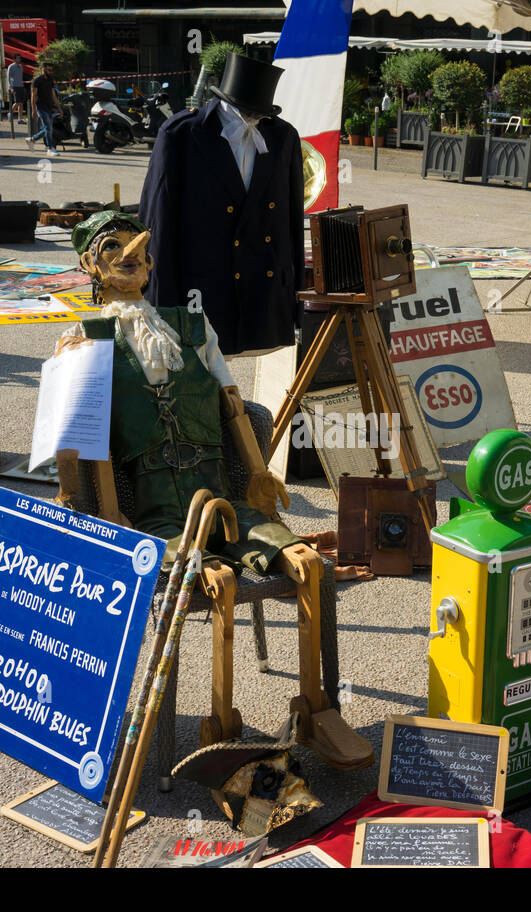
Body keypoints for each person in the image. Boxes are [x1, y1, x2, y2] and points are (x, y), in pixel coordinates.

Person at [51, 210, 374, 771]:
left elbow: (233, 408)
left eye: (139, 250)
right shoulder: (85, 341)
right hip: (158, 515)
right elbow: (84, 441)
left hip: (223, 500)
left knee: (309, 564)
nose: (131, 258)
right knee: (219, 579)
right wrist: (107, 516)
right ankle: (221, 724)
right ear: (89, 266)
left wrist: (257, 473)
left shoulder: (193, 328)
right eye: (112, 250)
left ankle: (315, 708)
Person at [138, 52, 303, 355]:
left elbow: (292, 220)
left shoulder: (283, 136)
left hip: (262, 284)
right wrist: (159, 304)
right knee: (198, 371)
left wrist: (294, 299)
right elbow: (157, 220)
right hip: (200, 284)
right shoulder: (181, 134)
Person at [28, 61, 60, 157]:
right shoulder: (37, 81)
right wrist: (33, 110)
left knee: (48, 128)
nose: (50, 72)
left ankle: (32, 139)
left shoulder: (50, 80)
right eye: (49, 70)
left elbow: (54, 95)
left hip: (49, 107)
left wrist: (59, 108)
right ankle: (50, 148)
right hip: (41, 107)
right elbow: (33, 96)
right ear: (43, 69)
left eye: (51, 70)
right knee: (48, 128)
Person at [6, 55, 25, 123]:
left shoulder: (21, 66)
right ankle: (10, 113)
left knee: (21, 103)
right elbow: (9, 78)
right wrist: (11, 87)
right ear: (14, 59)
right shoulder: (11, 66)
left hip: (21, 86)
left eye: (20, 58)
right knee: (17, 102)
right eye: (18, 58)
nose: (19, 59)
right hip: (14, 86)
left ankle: (20, 119)